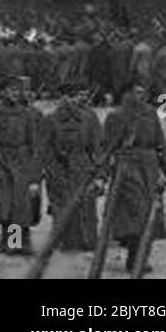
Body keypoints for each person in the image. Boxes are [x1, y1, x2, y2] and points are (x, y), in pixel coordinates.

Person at [103, 83, 166, 274]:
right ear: (127, 94)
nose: (141, 96)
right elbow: (107, 148)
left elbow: (160, 143)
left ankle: (139, 257)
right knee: (135, 213)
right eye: (136, 92)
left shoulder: (150, 113)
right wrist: (102, 175)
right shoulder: (115, 116)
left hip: (149, 169)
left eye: (143, 93)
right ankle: (134, 256)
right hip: (127, 169)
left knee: (150, 214)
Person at [0, 75, 42, 254]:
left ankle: (22, 239)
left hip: (22, 161)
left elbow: (34, 143)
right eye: (11, 90)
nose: (15, 94)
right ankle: (11, 240)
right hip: (3, 162)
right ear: (2, 92)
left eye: (17, 90)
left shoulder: (27, 114)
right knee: (6, 203)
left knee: (22, 204)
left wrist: (34, 168)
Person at [41, 83, 101, 251]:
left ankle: (85, 241)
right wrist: (45, 172)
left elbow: (96, 148)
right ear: (61, 99)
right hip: (58, 169)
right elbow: (42, 150)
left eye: (76, 97)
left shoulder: (88, 120)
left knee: (85, 205)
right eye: (68, 97)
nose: (73, 102)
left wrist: (100, 175)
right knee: (62, 205)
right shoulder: (50, 120)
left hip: (82, 168)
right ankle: (64, 242)